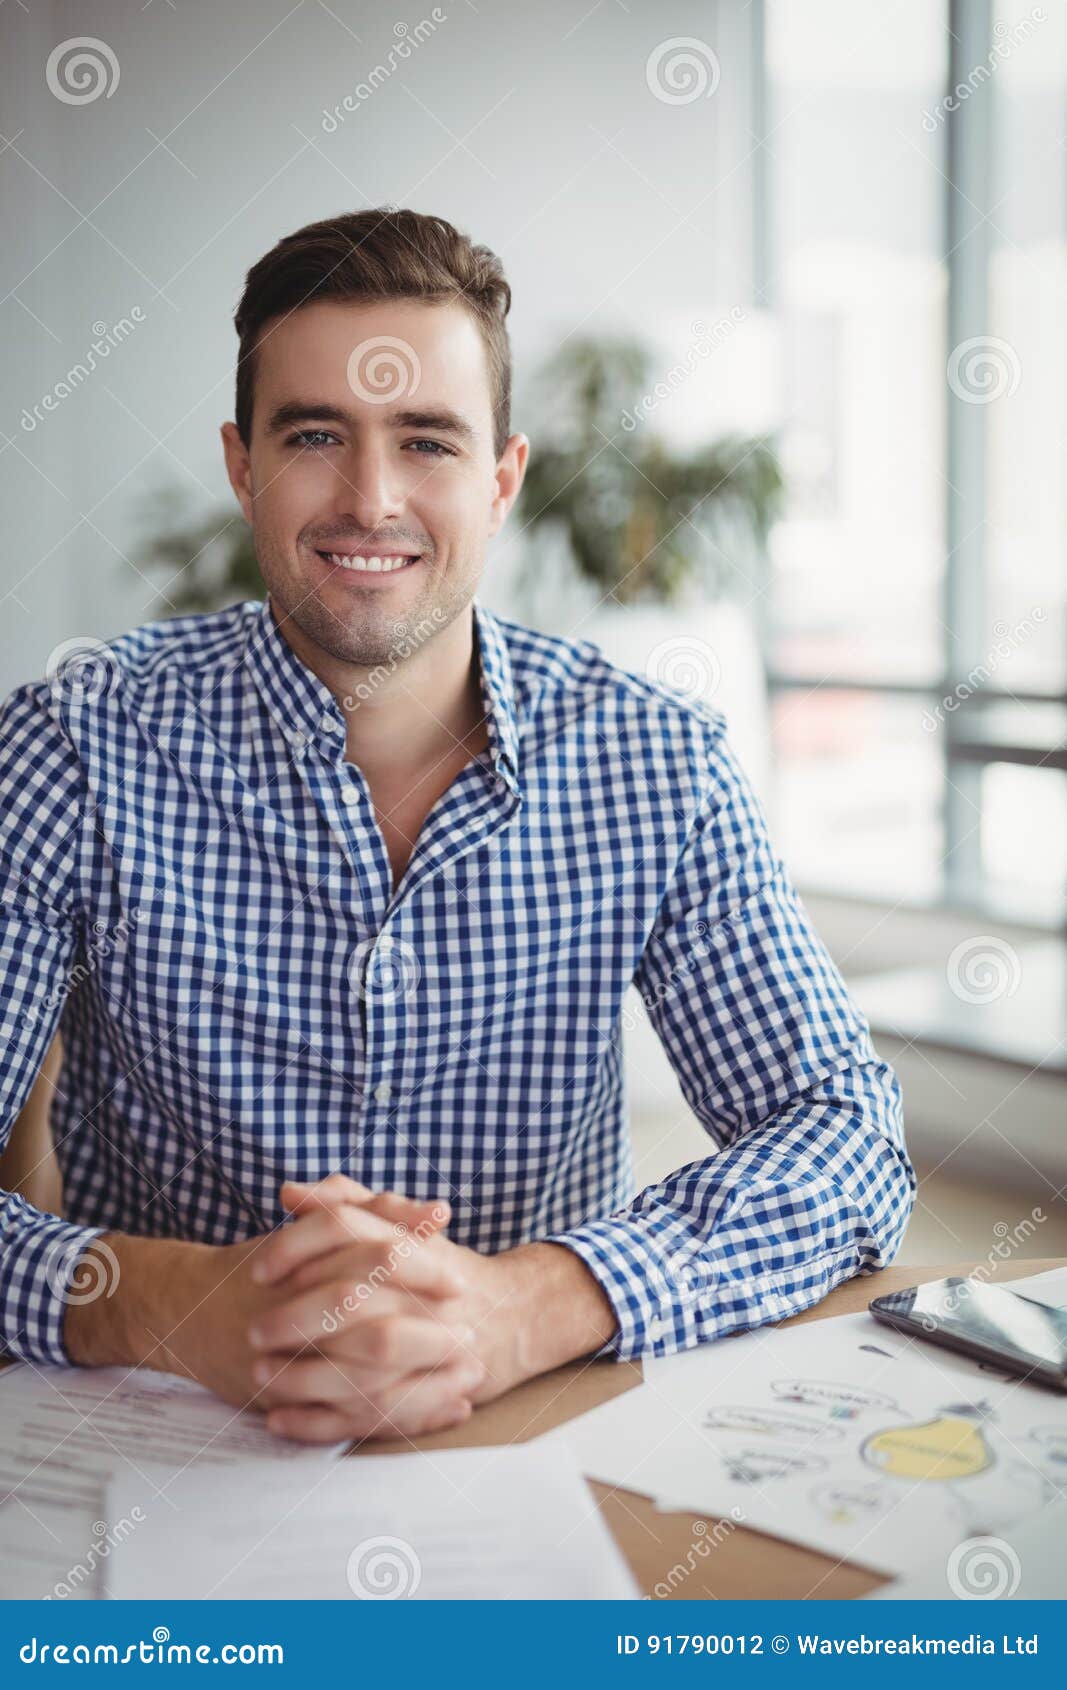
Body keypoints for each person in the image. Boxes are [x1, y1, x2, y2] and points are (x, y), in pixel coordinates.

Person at [0, 208, 914, 1445]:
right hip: (171, 1441)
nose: (369, 498)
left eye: (424, 440)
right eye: (314, 434)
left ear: (500, 478)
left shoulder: (654, 759)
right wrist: (181, 1302)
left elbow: (846, 1134)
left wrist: (527, 1305)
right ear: (242, 466)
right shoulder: (73, 741)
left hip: (535, 1434)